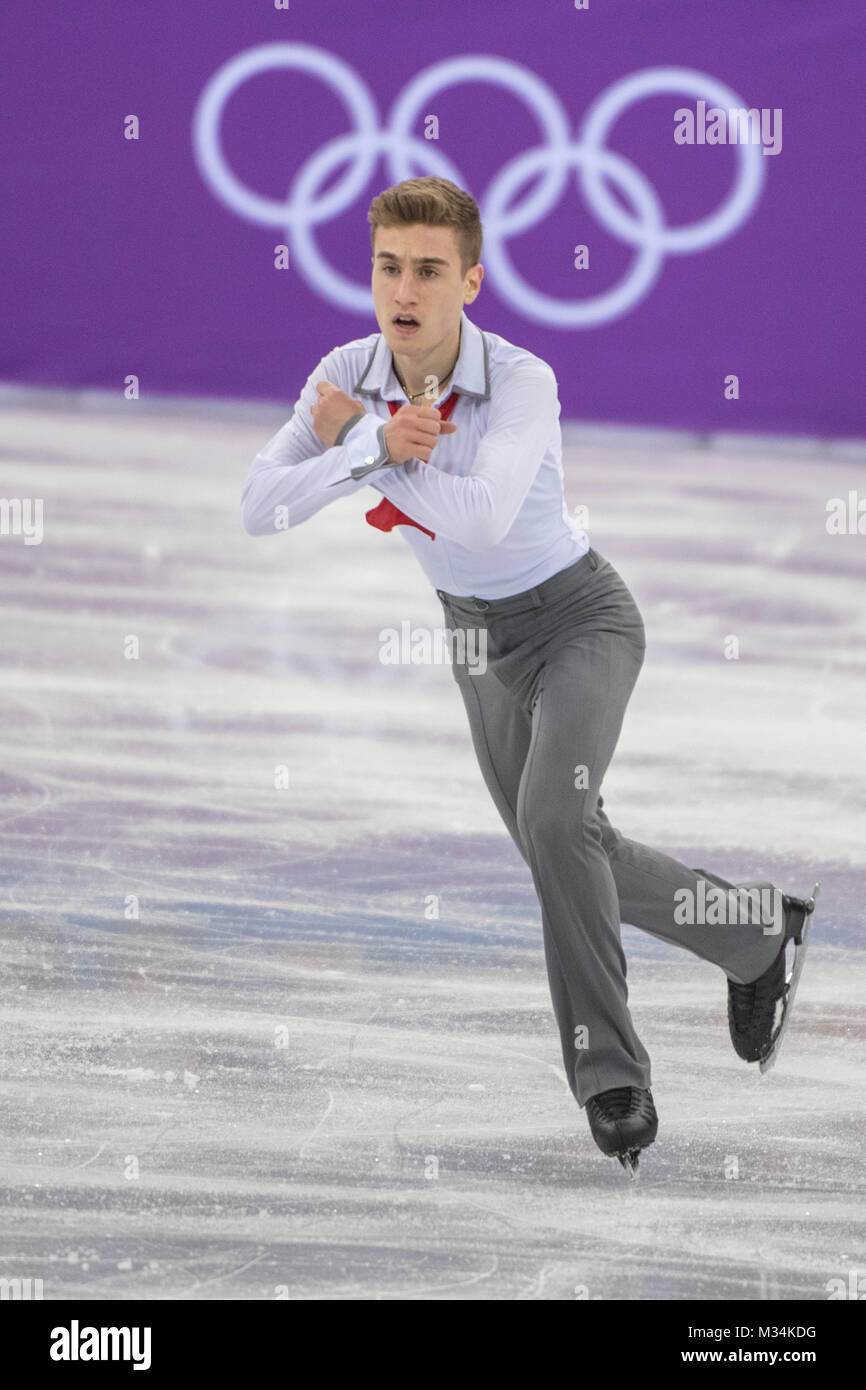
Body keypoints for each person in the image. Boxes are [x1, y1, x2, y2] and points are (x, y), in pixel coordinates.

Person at [240, 177, 815, 1175]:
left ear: (470, 279)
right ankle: (752, 936)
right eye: (386, 266)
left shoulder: (521, 382)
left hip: (580, 620)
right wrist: (366, 440)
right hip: (474, 642)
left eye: (427, 269)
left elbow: (477, 519)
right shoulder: (347, 371)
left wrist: (354, 447)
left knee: (555, 824)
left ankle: (610, 1078)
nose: (403, 289)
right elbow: (259, 505)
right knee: (565, 843)